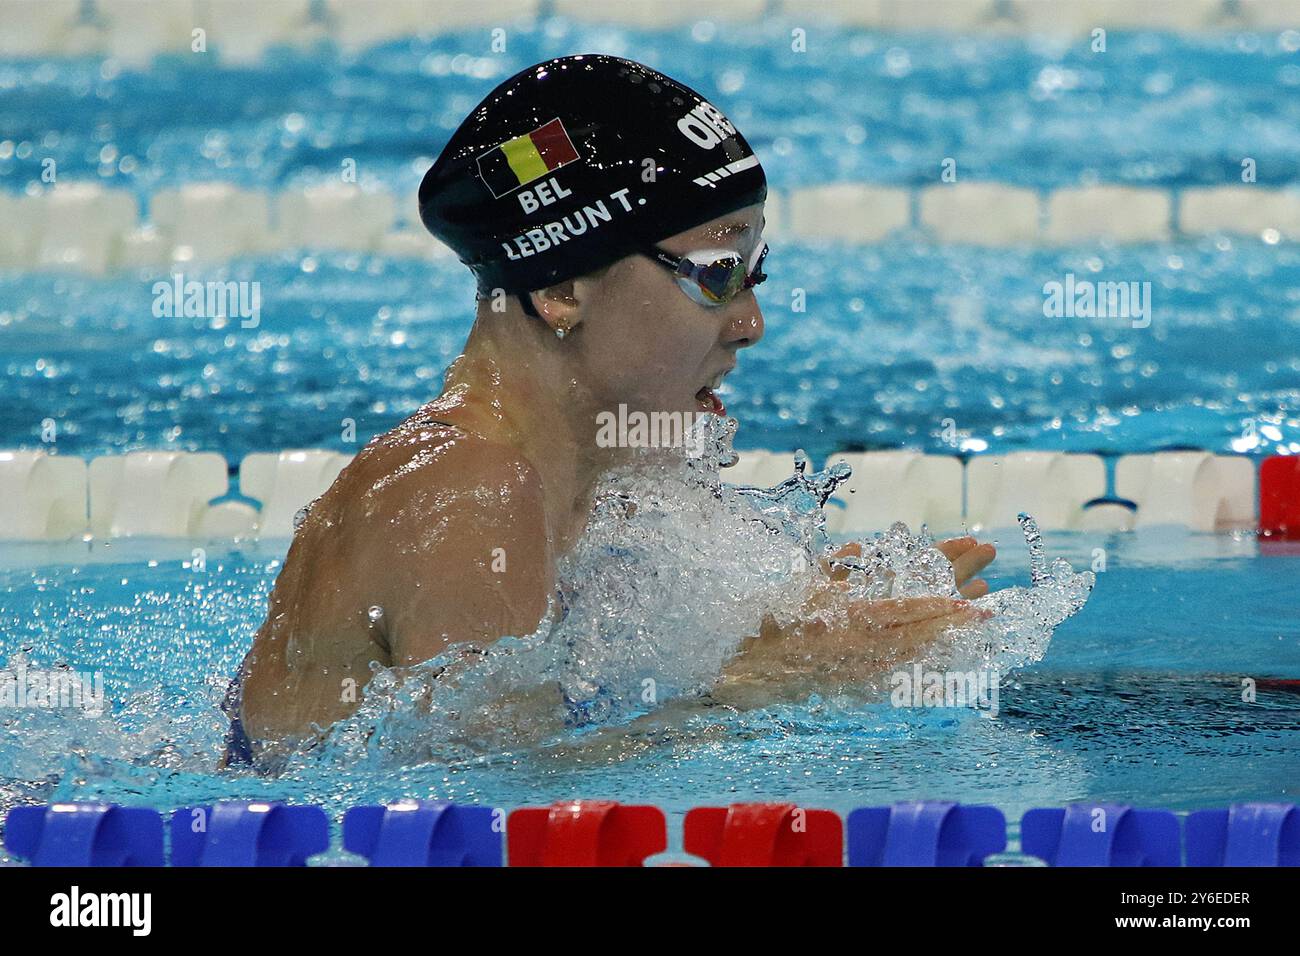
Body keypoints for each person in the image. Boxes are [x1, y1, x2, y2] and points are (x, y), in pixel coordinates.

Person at [226, 54, 995, 766]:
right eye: (718, 275)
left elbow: (563, 705)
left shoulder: (587, 480)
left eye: (756, 274)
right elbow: (495, 785)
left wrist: (803, 619)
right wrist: (790, 670)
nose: (751, 324)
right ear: (562, 291)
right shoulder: (464, 490)